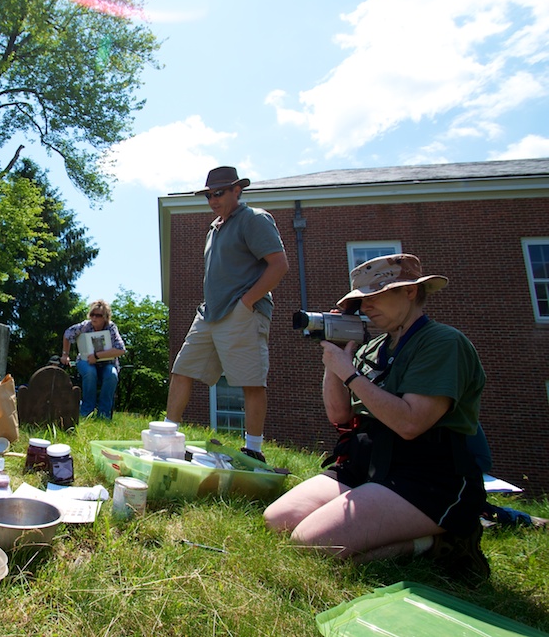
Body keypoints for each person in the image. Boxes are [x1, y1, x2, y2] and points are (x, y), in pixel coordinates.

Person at [262, 254, 490, 582]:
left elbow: (411, 424)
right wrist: (335, 362)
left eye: (374, 297)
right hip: (367, 462)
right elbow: (339, 415)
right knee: (277, 520)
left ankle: (440, 541)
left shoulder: (442, 343)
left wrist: (351, 374)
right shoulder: (372, 348)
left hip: (425, 474)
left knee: (309, 545)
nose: (365, 307)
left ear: (409, 292)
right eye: (360, 301)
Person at [165, 166, 288, 462]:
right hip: (208, 314)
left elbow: (279, 265)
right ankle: (165, 436)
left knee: (251, 381)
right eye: (209, 194)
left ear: (237, 190)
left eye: (219, 193)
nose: (213, 199)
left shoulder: (254, 219)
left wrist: (246, 303)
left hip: (243, 312)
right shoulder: (214, 227)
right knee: (182, 370)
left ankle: (253, 450)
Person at [60, 299, 126, 419]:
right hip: (85, 361)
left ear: (105, 317)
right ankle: (86, 412)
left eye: (98, 315)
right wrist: (65, 354)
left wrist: (97, 356)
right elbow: (67, 334)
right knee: (90, 373)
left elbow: (121, 349)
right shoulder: (85, 326)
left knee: (112, 375)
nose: (94, 318)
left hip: (107, 363)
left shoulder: (111, 328)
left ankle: (104, 414)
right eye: (92, 314)